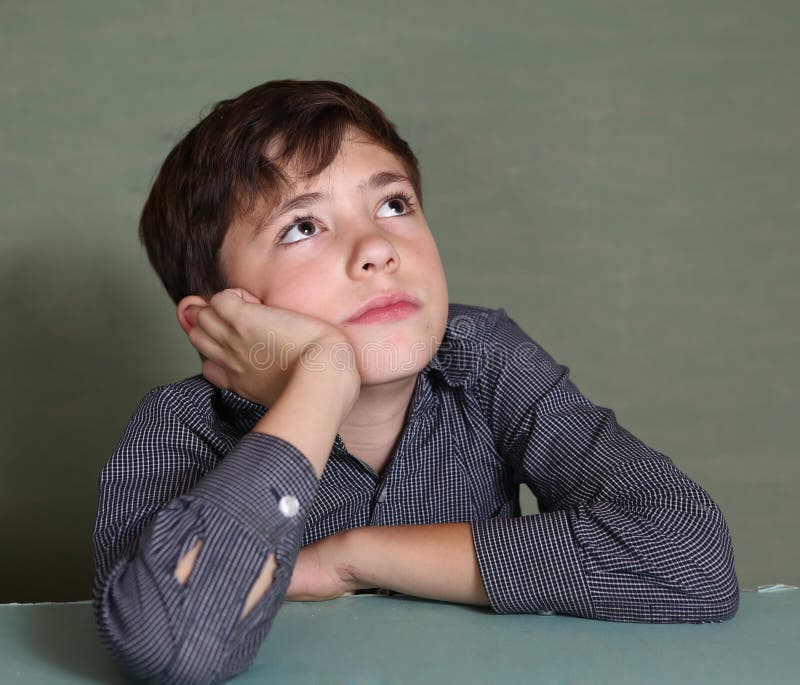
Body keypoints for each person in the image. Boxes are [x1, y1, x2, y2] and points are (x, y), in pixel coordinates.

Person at [92, 79, 739, 684]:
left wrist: (353, 555)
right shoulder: (179, 425)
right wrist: (322, 377)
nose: (376, 246)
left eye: (393, 203)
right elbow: (171, 641)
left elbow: (692, 557)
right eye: (302, 226)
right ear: (217, 318)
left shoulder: (483, 356)